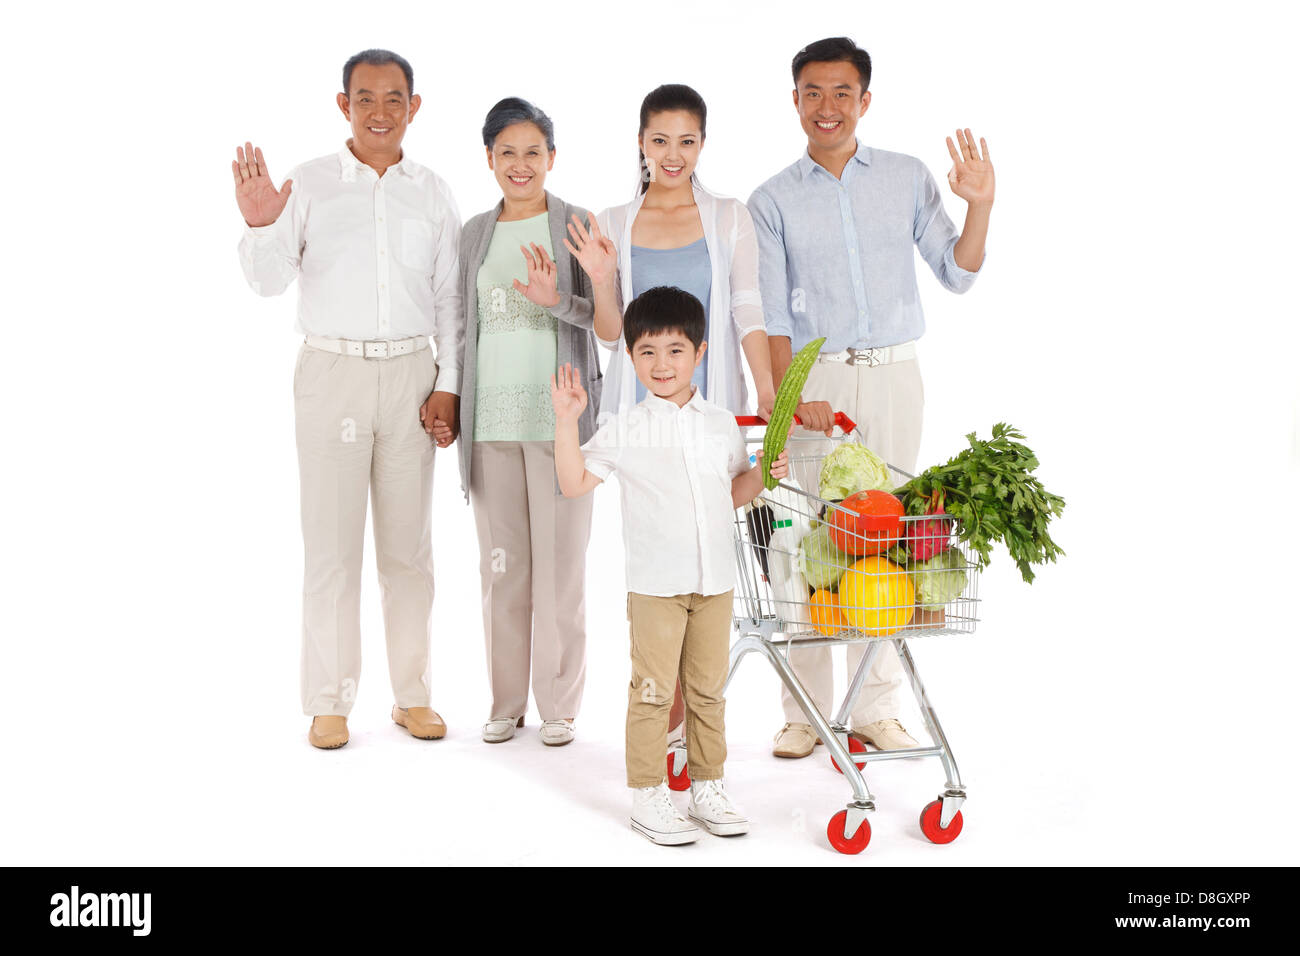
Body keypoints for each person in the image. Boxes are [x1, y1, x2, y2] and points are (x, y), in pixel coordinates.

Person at [747, 37, 994, 758]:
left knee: (885, 539)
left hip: (894, 377)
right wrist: (788, 402)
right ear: (794, 100)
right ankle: (802, 713)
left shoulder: (909, 177)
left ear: (865, 100)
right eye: (813, 93)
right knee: (804, 540)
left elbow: (958, 271)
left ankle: (876, 708)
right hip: (817, 385)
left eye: (842, 93)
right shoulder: (772, 201)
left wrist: (981, 204)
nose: (828, 107)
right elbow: (773, 316)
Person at [234, 49, 463, 750]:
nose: (380, 112)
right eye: (366, 98)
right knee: (331, 546)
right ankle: (328, 701)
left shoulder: (432, 191)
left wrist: (447, 385)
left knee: (409, 549)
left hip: (410, 377)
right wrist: (260, 222)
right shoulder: (307, 183)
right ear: (344, 105)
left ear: (414, 107)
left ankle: (413, 695)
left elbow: (451, 298)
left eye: (395, 99)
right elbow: (268, 284)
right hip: (331, 372)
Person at [567, 83, 776, 768]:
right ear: (640, 142)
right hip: (642, 418)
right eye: (660, 140)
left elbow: (746, 306)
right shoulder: (614, 218)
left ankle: (691, 719)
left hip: (713, 412)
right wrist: (601, 279)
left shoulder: (728, 215)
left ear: (703, 144)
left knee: (713, 554)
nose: (673, 154)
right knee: (662, 560)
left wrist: (769, 386)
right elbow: (609, 333)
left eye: (687, 140)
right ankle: (672, 720)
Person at [551, 286, 788, 845]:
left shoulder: (720, 422)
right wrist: (567, 422)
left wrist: (765, 471)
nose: (662, 364)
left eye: (676, 350)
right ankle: (647, 793)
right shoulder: (627, 427)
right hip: (656, 585)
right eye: (648, 351)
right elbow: (573, 481)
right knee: (654, 690)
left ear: (700, 353)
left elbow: (734, 490)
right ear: (631, 357)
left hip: (715, 582)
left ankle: (707, 787)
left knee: (708, 692)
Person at [442, 97, 618, 746]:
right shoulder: (472, 235)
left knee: (561, 569)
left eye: (533, 152)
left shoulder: (576, 224)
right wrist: (450, 402)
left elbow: (610, 328)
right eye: (507, 153)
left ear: (552, 157)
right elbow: (462, 330)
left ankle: (560, 706)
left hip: (562, 424)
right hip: (490, 424)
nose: (521, 165)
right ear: (489, 158)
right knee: (503, 570)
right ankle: (505, 703)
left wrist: (564, 297)